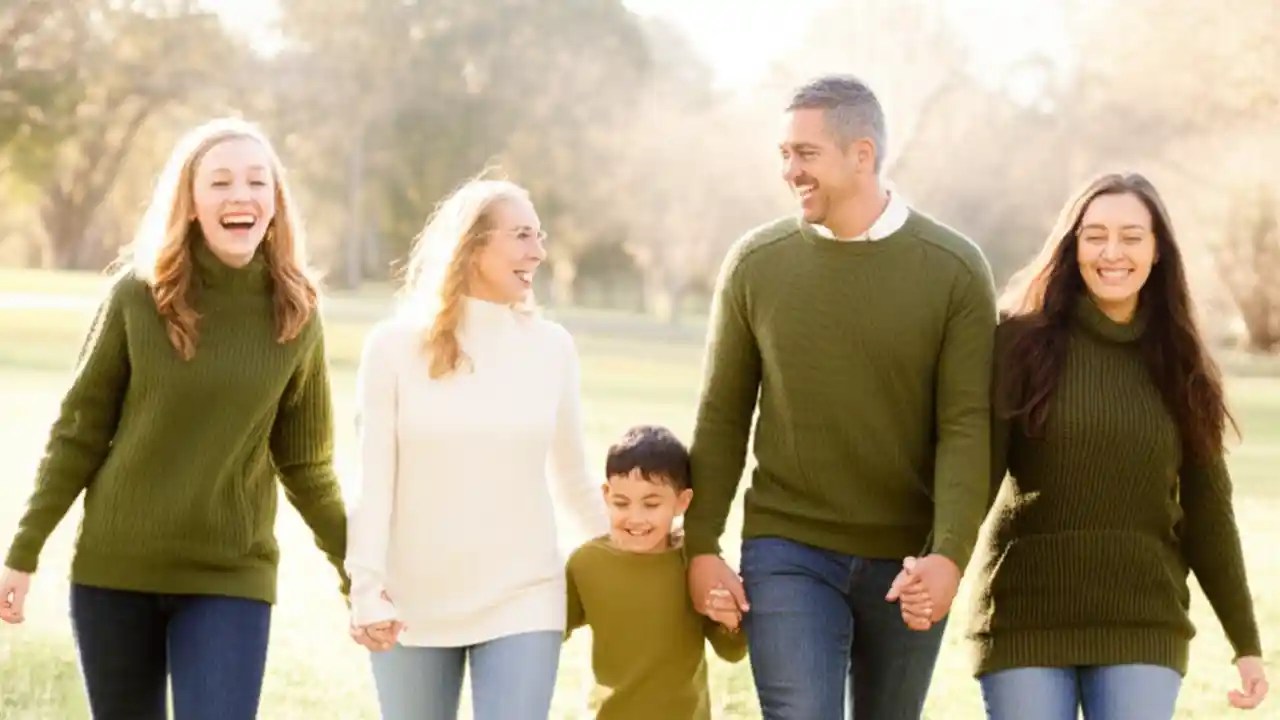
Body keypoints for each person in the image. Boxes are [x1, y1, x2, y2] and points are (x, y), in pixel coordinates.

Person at [0, 117, 349, 720]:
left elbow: (306, 464)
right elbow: (79, 434)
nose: (240, 195)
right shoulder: (136, 298)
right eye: (220, 182)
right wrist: (23, 551)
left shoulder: (296, 313)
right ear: (190, 202)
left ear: (275, 201)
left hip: (230, 574)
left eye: (256, 182)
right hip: (117, 572)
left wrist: (357, 570)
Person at [684, 73, 998, 719]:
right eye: (783, 155)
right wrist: (702, 545)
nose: (790, 171)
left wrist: (948, 556)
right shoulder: (756, 264)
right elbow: (722, 415)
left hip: (905, 556)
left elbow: (966, 426)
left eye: (805, 154)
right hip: (788, 546)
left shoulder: (955, 269)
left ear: (862, 154)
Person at [944, 171, 1268, 719]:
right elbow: (974, 476)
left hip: (1143, 622)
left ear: (1158, 249)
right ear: (1073, 246)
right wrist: (939, 561)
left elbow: (1209, 512)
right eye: (1094, 235)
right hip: (1026, 617)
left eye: (1130, 236)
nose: (1111, 252)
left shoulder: (1183, 364)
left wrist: (1247, 645)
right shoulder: (1019, 343)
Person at [344, 175, 608, 720]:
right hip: (411, 601)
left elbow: (574, 480)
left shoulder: (552, 348)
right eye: (521, 235)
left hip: (524, 595)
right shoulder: (393, 349)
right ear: (471, 247)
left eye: (539, 235)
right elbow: (373, 482)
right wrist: (366, 587)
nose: (538, 251)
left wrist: (648, 543)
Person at [565, 425, 748, 720]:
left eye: (651, 504)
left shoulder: (692, 563)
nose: (635, 518)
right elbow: (548, 630)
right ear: (606, 494)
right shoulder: (585, 564)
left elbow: (732, 651)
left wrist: (731, 622)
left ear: (682, 502)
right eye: (621, 502)